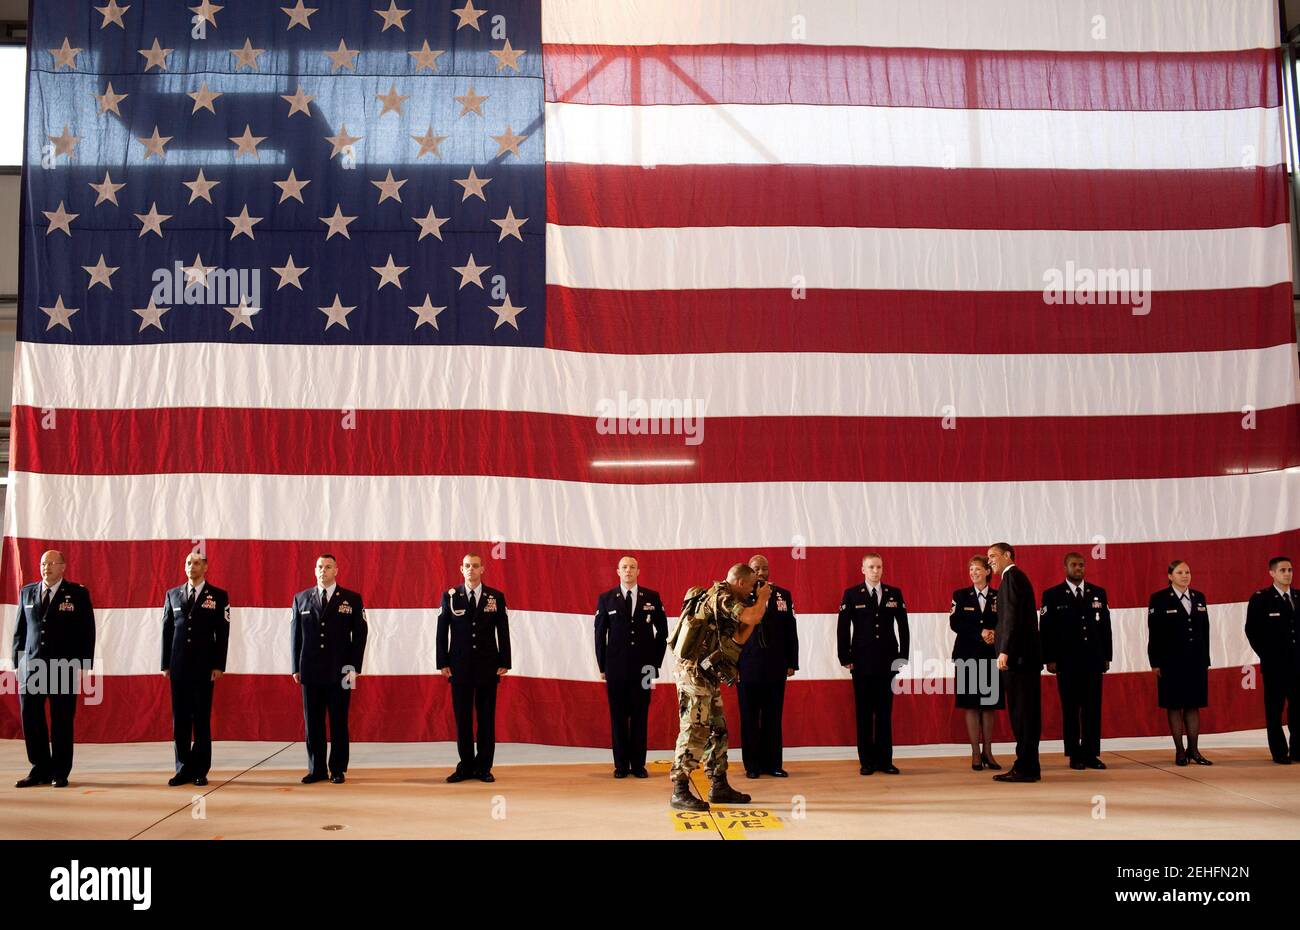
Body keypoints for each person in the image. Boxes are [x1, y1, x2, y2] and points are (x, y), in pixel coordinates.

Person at [666, 562, 769, 811]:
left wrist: (757, 607)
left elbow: (741, 636)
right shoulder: (722, 596)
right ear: (740, 583)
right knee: (695, 728)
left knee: (717, 730)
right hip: (693, 675)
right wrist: (763, 599)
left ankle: (719, 785)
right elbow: (751, 616)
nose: (753, 591)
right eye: (752, 586)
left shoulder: (730, 601)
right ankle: (679, 790)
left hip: (707, 673)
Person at [11, 550, 96, 788]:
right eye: (42, 563)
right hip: (32, 667)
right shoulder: (27, 592)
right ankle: (39, 768)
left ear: (63, 567)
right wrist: (17, 662)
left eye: (51, 563)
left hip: (64, 666)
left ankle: (60, 771)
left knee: (61, 720)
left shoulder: (77, 593)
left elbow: (87, 631)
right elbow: (20, 631)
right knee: (32, 719)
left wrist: (84, 664)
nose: (45, 567)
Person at [291, 554, 368, 784]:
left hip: (343, 670)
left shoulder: (352, 599)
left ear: (336, 570)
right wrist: (296, 666)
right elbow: (295, 635)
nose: (322, 570)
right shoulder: (301, 598)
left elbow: (361, 635)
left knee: (339, 721)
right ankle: (316, 769)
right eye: (319, 567)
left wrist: (355, 668)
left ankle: (337, 769)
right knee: (313, 722)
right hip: (310, 669)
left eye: (327, 567)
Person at [437, 553, 511, 783]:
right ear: (461, 569)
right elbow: (442, 631)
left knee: (486, 719)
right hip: (459, 668)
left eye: (475, 566)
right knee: (463, 719)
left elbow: (503, 630)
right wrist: (443, 662)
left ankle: (483, 767)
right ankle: (466, 766)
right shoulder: (450, 596)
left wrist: (504, 661)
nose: (471, 569)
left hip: (488, 667)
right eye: (467, 566)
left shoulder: (495, 597)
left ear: (483, 569)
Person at [594, 556, 668, 778]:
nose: (628, 570)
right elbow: (599, 635)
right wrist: (602, 665)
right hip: (615, 667)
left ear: (638, 571)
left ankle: (638, 765)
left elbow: (663, 633)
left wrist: (654, 664)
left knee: (640, 715)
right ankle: (621, 766)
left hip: (645, 669)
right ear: (618, 571)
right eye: (624, 567)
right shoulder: (606, 598)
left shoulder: (651, 597)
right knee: (617, 716)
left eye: (632, 567)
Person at [161, 552, 230, 786]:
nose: (192, 566)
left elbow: (222, 634)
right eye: (188, 563)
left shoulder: (218, 596)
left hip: (204, 667)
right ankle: (183, 769)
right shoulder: (173, 594)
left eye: (197, 563)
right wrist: (165, 663)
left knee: (201, 719)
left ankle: (200, 769)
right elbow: (166, 630)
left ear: (206, 567)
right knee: (180, 720)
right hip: (178, 667)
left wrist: (219, 664)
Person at [837, 553, 909, 775]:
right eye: (871, 567)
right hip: (861, 662)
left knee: (885, 712)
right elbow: (843, 628)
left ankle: (885, 760)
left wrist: (902, 656)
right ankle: (866, 761)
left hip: (887, 661)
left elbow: (903, 627)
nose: (875, 571)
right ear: (863, 569)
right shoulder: (851, 594)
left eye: (878, 567)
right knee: (865, 712)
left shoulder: (894, 593)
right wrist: (845, 657)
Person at [1039, 552, 1112, 771]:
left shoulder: (1097, 593)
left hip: (1092, 660)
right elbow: (1046, 630)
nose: (1078, 568)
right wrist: (1049, 658)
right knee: (1071, 710)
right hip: (1066, 661)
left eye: (1081, 565)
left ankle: (1091, 754)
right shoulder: (1052, 595)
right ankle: (1074, 754)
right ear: (1065, 567)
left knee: (1092, 709)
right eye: (1074, 565)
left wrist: (1107, 656)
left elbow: (1105, 628)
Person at [737, 554, 799, 778]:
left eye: (764, 568)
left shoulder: (783, 595)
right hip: (747, 666)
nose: (761, 572)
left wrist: (792, 662)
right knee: (750, 718)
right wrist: (733, 666)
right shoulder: (741, 596)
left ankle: (773, 764)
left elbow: (791, 631)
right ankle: (752, 766)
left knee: (773, 717)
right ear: (749, 572)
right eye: (756, 569)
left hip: (776, 665)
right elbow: (731, 634)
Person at [1146, 559, 1212, 766]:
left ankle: (1195, 750)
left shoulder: (1199, 597)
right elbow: (1154, 633)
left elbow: (1205, 630)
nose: (1185, 576)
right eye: (1180, 572)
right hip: (1170, 662)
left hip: (1196, 661)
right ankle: (1180, 751)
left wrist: (1206, 659)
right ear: (1170, 576)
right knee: (1174, 706)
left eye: (1188, 572)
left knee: (1193, 705)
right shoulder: (1159, 599)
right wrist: (1155, 662)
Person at [988, 542, 1042, 782]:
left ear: (1007, 555)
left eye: (993, 556)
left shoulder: (1011, 577)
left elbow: (1010, 617)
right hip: (1025, 659)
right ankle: (1029, 766)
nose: (990, 561)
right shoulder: (1017, 577)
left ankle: (1025, 768)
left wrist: (1004, 650)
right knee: (1026, 714)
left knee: (1022, 715)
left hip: (1018, 660)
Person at [948, 555, 1002, 771]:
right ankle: (975, 753)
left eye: (978, 569)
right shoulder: (960, 596)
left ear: (988, 571)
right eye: (971, 570)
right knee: (970, 704)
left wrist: (995, 634)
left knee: (989, 706)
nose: (974, 573)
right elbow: (955, 623)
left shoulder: (999, 596)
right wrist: (980, 632)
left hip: (991, 656)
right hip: (967, 655)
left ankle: (988, 751)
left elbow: (1006, 620)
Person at [1244, 556, 1298, 764]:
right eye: (1283, 570)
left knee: (1298, 710)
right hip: (1276, 665)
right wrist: (1267, 655)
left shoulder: (1298, 596)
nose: (1287, 574)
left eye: (1290, 570)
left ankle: (1297, 750)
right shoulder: (1261, 598)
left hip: (1298, 665)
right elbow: (1252, 631)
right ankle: (1279, 752)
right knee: (1274, 711)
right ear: (1272, 573)